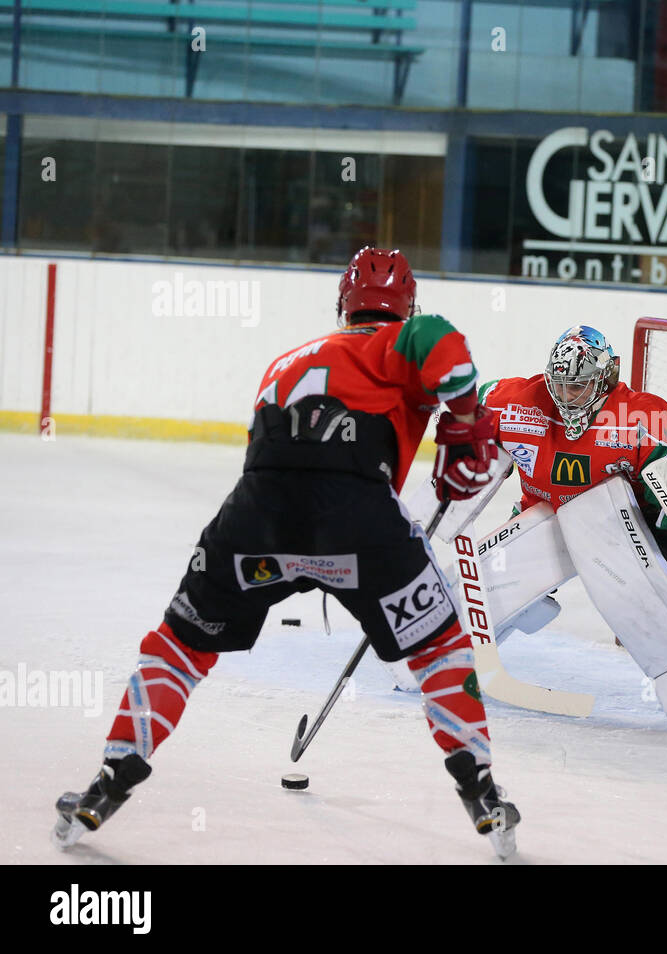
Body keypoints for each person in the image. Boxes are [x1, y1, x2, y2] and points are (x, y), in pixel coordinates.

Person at [53, 247, 518, 857]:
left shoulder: (284, 362)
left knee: (181, 644)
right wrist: (461, 428)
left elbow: (272, 457)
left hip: (255, 520)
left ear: (342, 307)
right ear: (405, 307)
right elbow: (442, 342)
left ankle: (110, 779)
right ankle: (479, 789)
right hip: (356, 524)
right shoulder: (400, 340)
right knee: (436, 645)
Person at [475, 325, 667, 719]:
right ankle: (440, 654)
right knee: (489, 578)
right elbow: (471, 401)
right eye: (560, 385)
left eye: (579, 387)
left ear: (605, 379)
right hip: (542, 516)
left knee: (633, 587)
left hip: (626, 527)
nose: (566, 397)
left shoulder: (643, 416)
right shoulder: (515, 401)